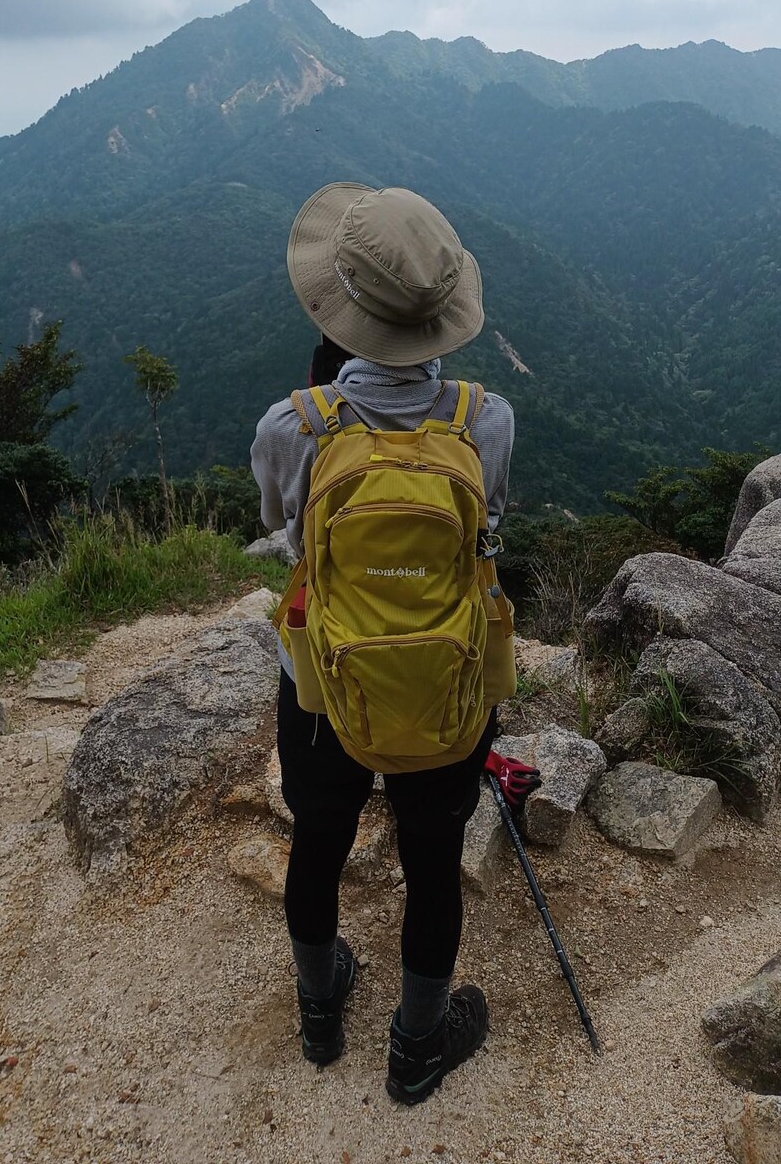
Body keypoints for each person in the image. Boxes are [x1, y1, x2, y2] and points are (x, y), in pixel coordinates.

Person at [251, 182, 515, 1104]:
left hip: (322, 683)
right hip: (446, 688)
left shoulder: (294, 424)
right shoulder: (485, 419)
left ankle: (321, 1013)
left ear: (339, 306)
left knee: (318, 843)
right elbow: (486, 535)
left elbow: (284, 529)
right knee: (432, 863)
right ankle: (416, 1046)